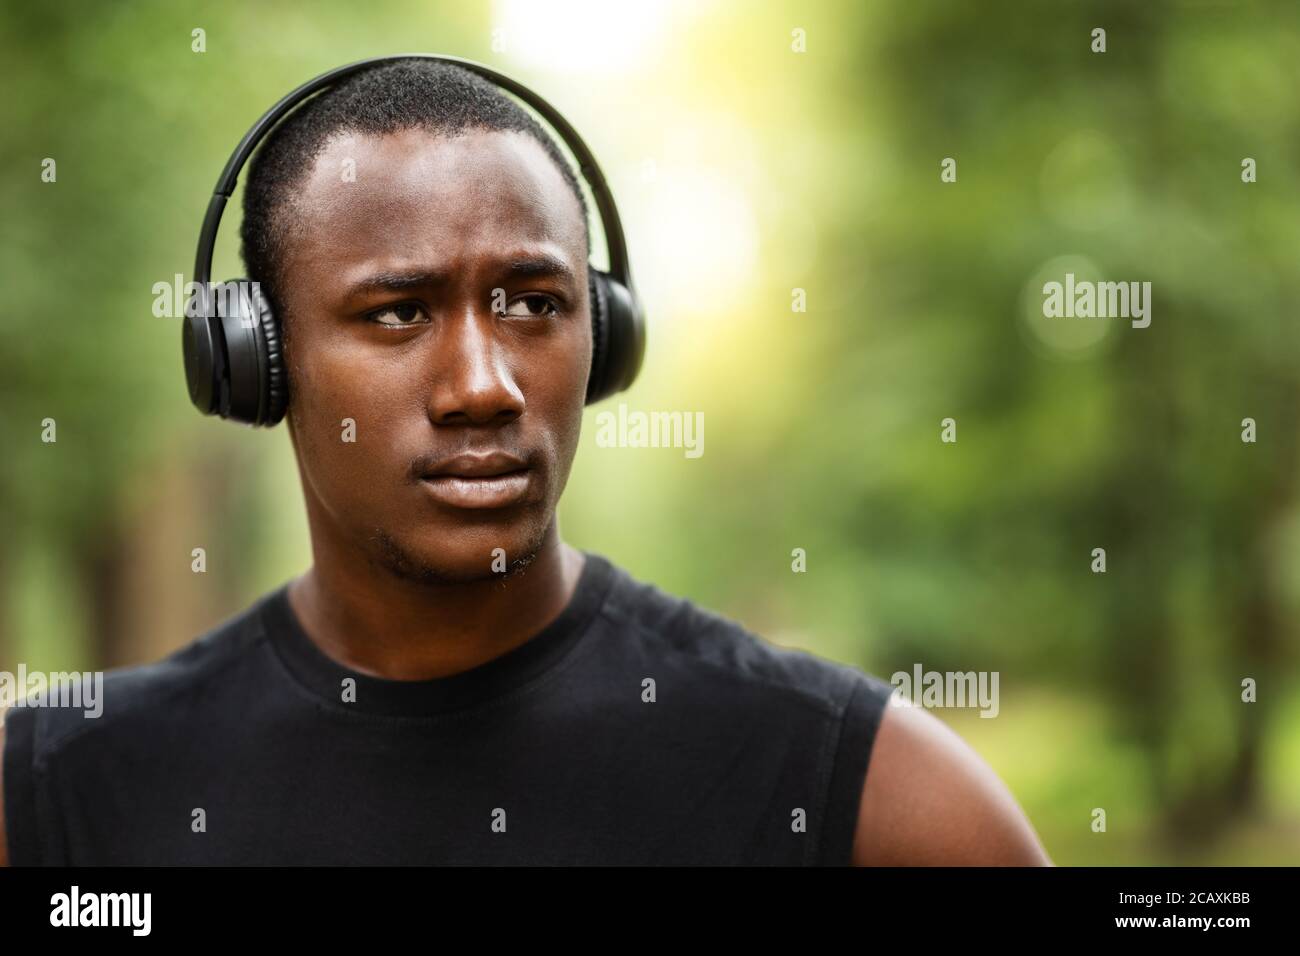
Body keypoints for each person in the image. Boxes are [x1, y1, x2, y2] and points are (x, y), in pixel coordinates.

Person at [0, 58, 1050, 866]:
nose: (484, 384)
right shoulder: (58, 796)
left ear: (606, 338)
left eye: (535, 304)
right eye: (398, 312)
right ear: (253, 361)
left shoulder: (870, 797)